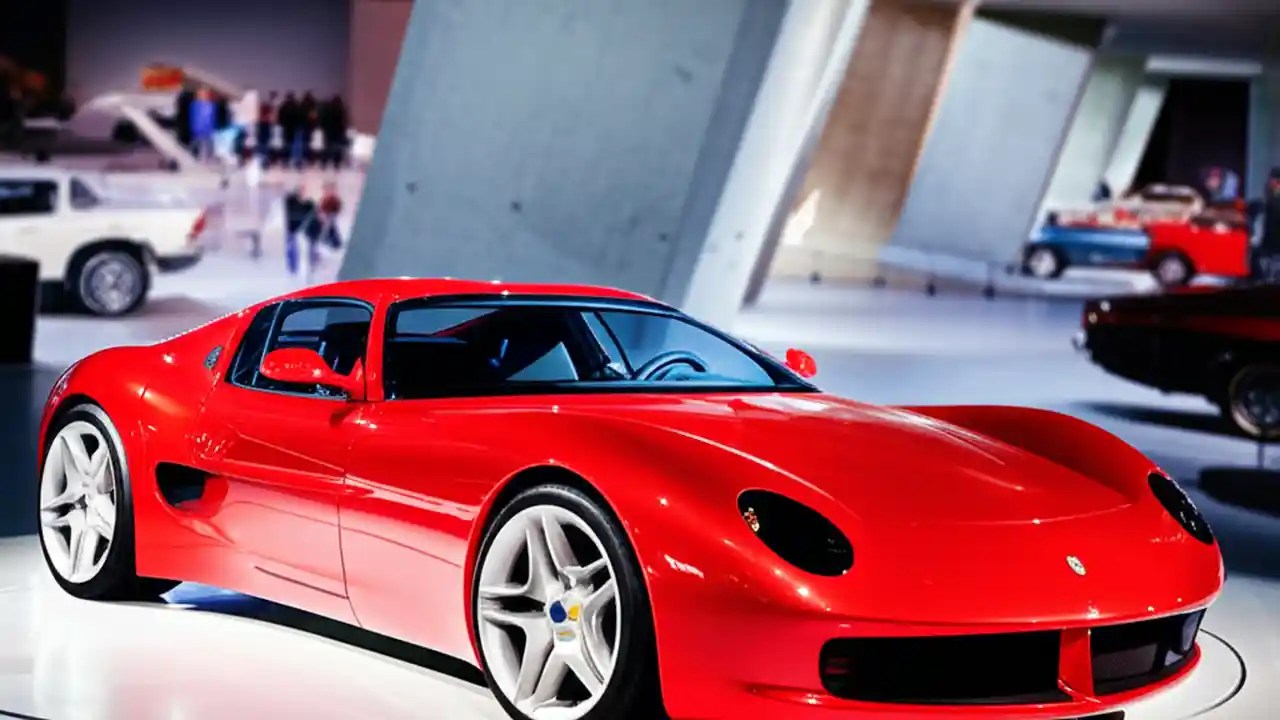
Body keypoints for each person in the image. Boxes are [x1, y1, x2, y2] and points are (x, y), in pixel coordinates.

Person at [283, 184, 315, 276]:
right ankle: (293, 267)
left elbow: (311, 214)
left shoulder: (308, 204)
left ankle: (307, 265)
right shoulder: (291, 201)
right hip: (292, 228)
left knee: (298, 246)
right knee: (292, 247)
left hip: (302, 229)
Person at [320, 95, 348, 169]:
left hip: (328, 131)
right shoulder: (341, 110)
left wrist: (324, 128)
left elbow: (323, 120)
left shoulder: (327, 109)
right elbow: (343, 122)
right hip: (338, 132)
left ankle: (324, 163)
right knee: (337, 148)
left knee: (327, 148)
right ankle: (336, 163)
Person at [189, 87, 217, 160]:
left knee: (209, 142)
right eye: (201, 94)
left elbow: (212, 117)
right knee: (196, 142)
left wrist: (212, 127)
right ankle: (193, 155)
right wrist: (194, 127)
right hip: (198, 128)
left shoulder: (211, 105)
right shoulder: (195, 105)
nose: (203, 96)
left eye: (205, 94)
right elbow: (193, 116)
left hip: (208, 128)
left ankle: (210, 156)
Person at [278, 92, 302, 169]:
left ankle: (285, 162)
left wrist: (282, 124)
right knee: (296, 146)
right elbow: (300, 117)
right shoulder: (297, 106)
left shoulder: (284, 106)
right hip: (295, 128)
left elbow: (280, 117)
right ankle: (296, 163)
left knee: (286, 145)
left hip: (286, 128)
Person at [257, 91, 277, 168]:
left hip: (264, 125)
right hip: (265, 126)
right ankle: (272, 98)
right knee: (264, 143)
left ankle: (271, 98)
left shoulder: (262, 156)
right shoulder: (263, 156)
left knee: (264, 143)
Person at [299, 91, 319, 167]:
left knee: (305, 142)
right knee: (310, 142)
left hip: (304, 126)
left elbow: (300, 115)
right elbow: (314, 115)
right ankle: (310, 158)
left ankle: (305, 157)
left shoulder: (302, 104)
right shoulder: (312, 105)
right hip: (311, 126)